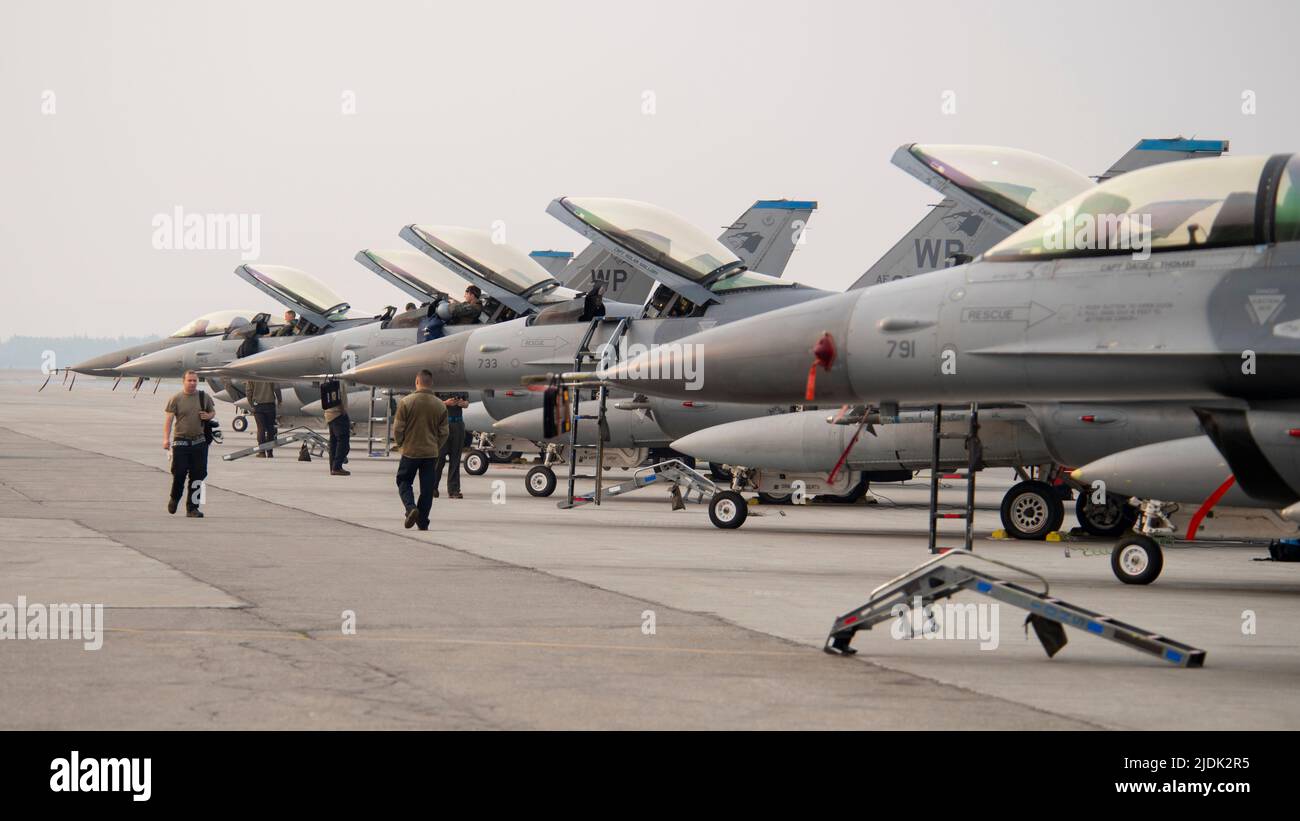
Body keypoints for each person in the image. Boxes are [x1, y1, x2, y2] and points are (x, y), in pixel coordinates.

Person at [393, 369, 449, 531]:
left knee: (403, 481)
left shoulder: (406, 402)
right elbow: (444, 432)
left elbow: (398, 428)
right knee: (427, 488)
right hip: (430, 453)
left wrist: (401, 444)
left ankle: (411, 508)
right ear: (431, 383)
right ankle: (423, 521)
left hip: (410, 451)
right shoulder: (440, 405)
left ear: (417, 382)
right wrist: (435, 446)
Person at [163, 370, 215, 518]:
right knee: (179, 474)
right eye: (189, 380)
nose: (192, 383)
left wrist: (208, 415)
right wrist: (166, 439)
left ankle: (193, 508)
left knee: (199, 475)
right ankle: (175, 497)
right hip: (181, 442)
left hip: (199, 442)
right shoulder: (176, 399)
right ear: (183, 381)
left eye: (194, 381)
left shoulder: (203, 397)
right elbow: (169, 420)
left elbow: (212, 412)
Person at [432, 391, 469, 498]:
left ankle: (454, 490)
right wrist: (446, 403)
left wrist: (461, 403)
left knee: (455, 459)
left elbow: (466, 403)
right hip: (444, 425)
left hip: (458, 425)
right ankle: (433, 488)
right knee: (439, 459)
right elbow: (433, 404)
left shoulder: (461, 386)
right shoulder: (440, 386)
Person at [245, 379, 282, 457]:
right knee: (270, 429)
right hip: (270, 404)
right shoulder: (270, 373)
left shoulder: (251, 375)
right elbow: (277, 388)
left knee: (261, 428)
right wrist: (279, 400)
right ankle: (270, 452)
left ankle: (261, 452)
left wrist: (251, 403)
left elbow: (248, 391)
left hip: (258, 405)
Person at [322, 380, 350, 476]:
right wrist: (343, 410)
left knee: (333, 442)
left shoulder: (326, 380)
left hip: (329, 414)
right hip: (337, 414)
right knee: (343, 441)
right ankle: (337, 467)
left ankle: (333, 467)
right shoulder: (338, 380)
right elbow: (338, 395)